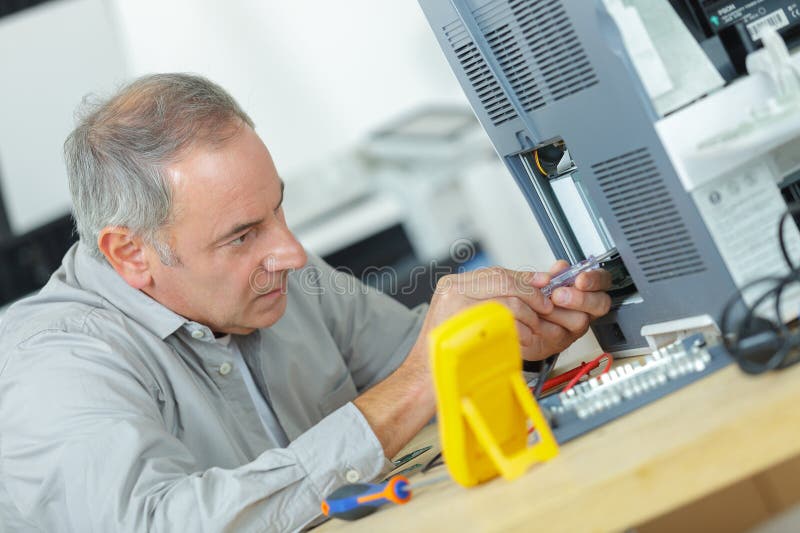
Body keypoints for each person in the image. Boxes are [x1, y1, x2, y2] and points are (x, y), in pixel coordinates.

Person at [0, 74, 611, 532]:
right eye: (242, 235)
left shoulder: (283, 281)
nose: (290, 252)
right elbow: (160, 524)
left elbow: (427, 395)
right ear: (131, 254)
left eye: (278, 210)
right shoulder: (51, 367)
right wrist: (422, 375)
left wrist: (509, 346)